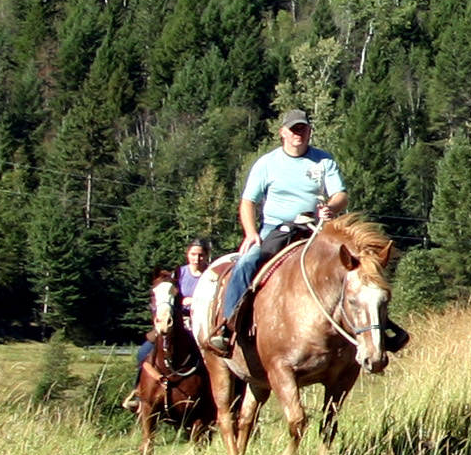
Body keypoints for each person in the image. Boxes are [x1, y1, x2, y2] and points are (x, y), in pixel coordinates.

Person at [206, 108, 346, 355]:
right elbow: (248, 201)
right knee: (247, 262)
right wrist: (251, 233)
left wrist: (331, 207)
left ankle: (373, 330)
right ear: (283, 132)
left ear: (309, 131)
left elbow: (340, 195)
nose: (298, 134)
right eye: (293, 129)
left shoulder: (324, 161)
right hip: (276, 229)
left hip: (314, 228)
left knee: (351, 264)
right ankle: (228, 326)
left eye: (302, 129)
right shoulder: (267, 164)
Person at [135, 239, 211, 374]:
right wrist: (181, 301)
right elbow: (167, 295)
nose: (196, 259)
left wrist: (196, 301)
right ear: (187, 254)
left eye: (201, 255)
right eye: (193, 254)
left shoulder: (211, 274)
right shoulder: (179, 274)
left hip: (203, 322)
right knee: (143, 353)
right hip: (178, 321)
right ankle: (139, 385)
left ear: (206, 256)